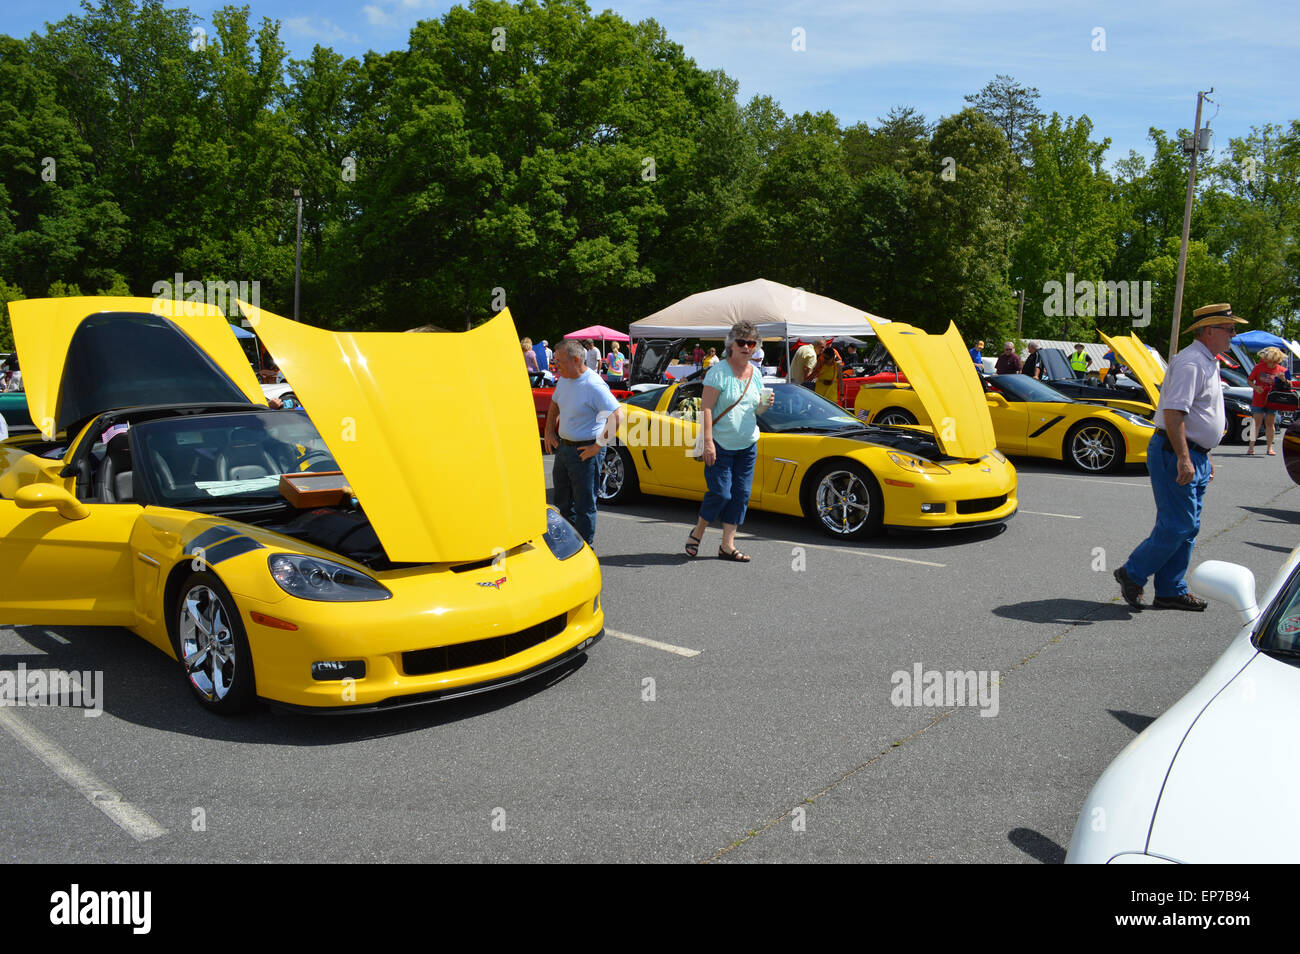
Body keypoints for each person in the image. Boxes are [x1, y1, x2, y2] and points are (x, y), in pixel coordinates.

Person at [1114, 303, 1244, 612]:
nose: (1233, 334)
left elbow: (1199, 415)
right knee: (1178, 525)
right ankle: (1132, 572)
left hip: (1190, 453)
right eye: (1229, 329)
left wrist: (1201, 455)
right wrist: (1186, 458)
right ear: (1209, 331)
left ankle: (1171, 589)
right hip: (1175, 452)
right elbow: (1173, 414)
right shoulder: (1191, 362)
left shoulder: (1207, 360)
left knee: (1188, 526)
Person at [685, 320, 774, 563]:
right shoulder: (718, 372)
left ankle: (727, 545)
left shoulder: (755, 374)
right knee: (721, 493)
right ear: (731, 344)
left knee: (741, 494)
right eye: (742, 342)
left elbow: (756, 410)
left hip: (747, 444)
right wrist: (707, 442)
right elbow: (706, 410)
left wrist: (765, 406)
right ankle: (699, 530)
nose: (747, 346)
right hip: (720, 444)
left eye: (751, 342)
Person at [543, 340, 625, 545]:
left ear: (576, 359)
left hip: (585, 451)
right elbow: (554, 404)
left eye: (559, 360)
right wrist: (549, 431)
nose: (555, 364)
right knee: (562, 501)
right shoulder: (564, 379)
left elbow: (617, 415)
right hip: (564, 448)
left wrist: (597, 446)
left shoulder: (593, 384)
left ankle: (585, 549)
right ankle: (568, 545)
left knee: (584, 505)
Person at [1247, 346, 1288, 455]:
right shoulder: (1258, 367)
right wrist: (1256, 387)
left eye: (1275, 362)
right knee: (1256, 423)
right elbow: (1250, 381)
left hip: (1273, 400)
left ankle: (1269, 448)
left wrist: (1283, 379)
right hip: (1259, 399)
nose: (1273, 364)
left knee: (1270, 424)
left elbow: (1289, 385)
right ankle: (1251, 447)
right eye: (1271, 362)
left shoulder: (1282, 370)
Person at [809, 339, 843, 404]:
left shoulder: (837, 366)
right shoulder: (821, 363)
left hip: (831, 393)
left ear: (833, 358)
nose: (825, 360)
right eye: (824, 357)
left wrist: (841, 394)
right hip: (819, 391)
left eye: (827, 359)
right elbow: (813, 374)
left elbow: (841, 380)